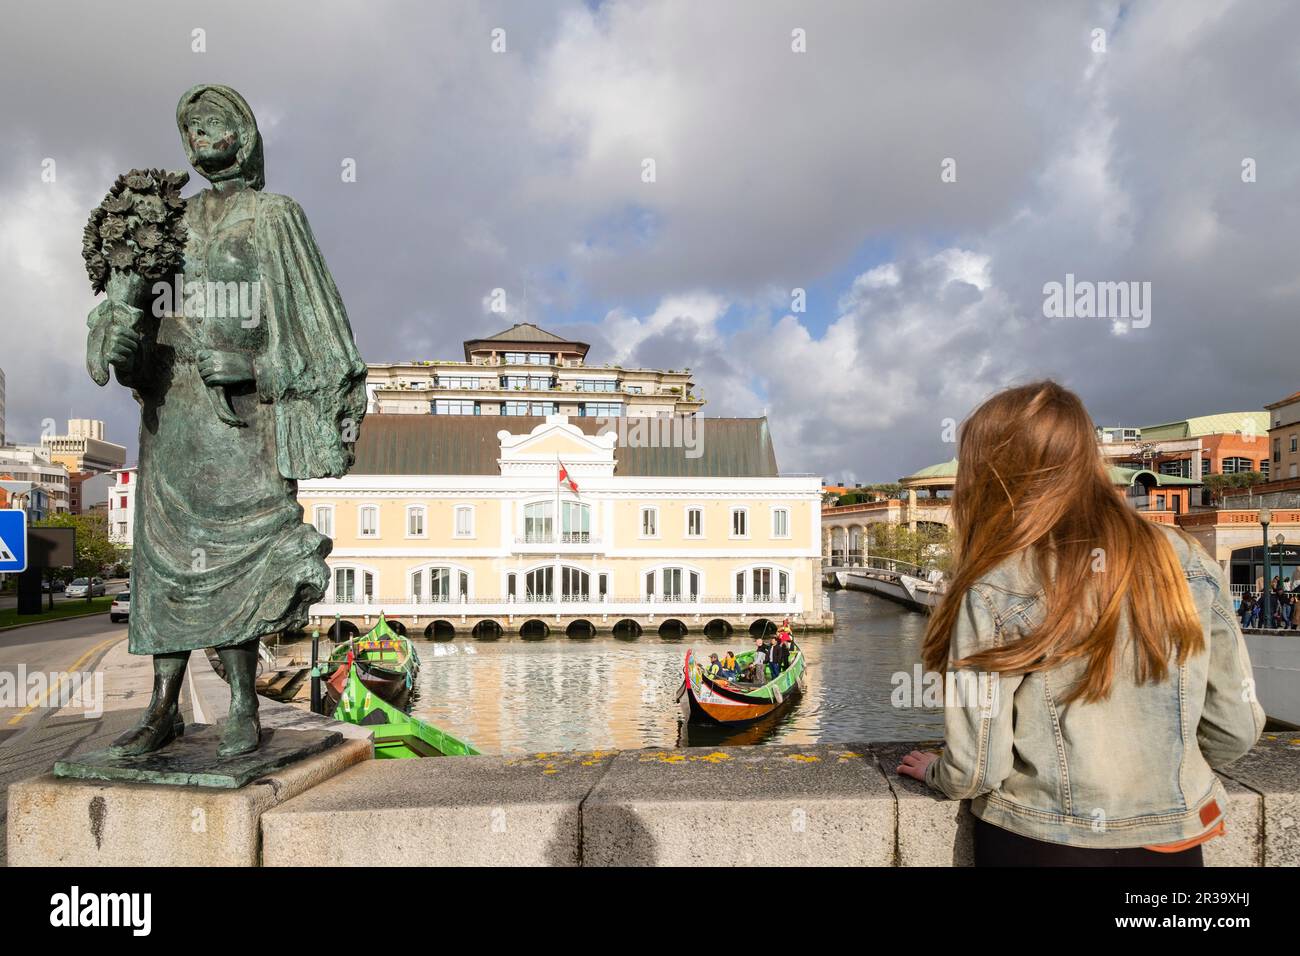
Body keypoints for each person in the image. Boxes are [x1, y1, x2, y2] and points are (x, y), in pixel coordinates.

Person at [895, 381, 1264, 866]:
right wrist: (1162, 773)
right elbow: (1236, 727)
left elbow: (978, 767)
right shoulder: (1186, 559)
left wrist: (937, 773)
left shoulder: (997, 583)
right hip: (1170, 841)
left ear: (992, 475)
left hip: (1041, 841)